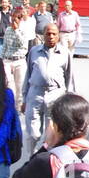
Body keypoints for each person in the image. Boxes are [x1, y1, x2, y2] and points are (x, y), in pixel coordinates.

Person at [21, 23, 72, 159]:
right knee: (33, 133)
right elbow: (28, 75)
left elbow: (69, 77)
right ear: (43, 35)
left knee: (51, 133)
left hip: (55, 94)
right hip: (35, 94)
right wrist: (24, 98)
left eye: (54, 34)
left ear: (58, 35)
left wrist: (68, 101)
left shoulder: (65, 53)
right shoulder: (34, 52)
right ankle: (31, 159)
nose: (51, 36)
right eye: (48, 33)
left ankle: (46, 161)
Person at [1, 6, 29, 102]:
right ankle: (10, 106)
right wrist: (1, 59)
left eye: (16, 18)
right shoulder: (8, 30)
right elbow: (4, 45)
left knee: (20, 87)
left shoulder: (24, 30)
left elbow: (22, 43)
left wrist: (16, 30)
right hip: (8, 60)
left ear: (20, 19)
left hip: (19, 60)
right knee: (8, 84)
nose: (13, 20)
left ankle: (18, 109)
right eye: (12, 18)